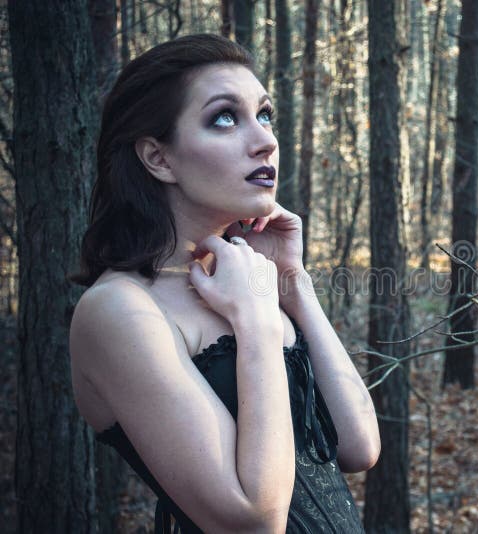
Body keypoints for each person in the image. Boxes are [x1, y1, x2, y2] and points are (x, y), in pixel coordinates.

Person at [69, 34, 380, 533]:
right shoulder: (119, 310)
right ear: (158, 158)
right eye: (224, 118)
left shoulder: (242, 278)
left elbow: (358, 444)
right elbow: (255, 522)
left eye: (264, 114)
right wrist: (255, 320)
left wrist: (293, 287)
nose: (265, 140)